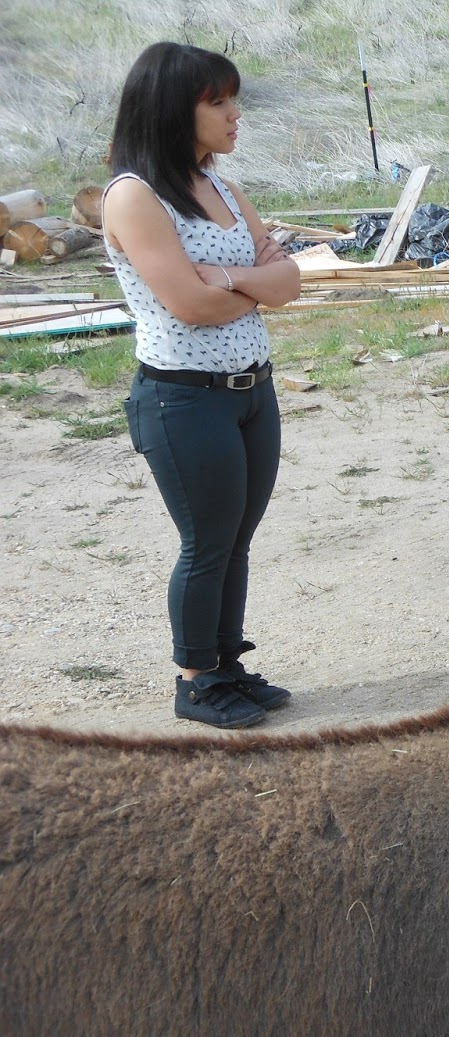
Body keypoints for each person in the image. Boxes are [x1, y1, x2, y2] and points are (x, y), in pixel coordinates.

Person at [102, 42, 301, 728]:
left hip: (251, 392)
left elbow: (290, 281)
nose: (233, 114)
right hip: (184, 397)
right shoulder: (134, 196)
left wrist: (230, 279)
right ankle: (195, 682)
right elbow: (189, 305)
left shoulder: (223, 189)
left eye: (231, 99)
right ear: (170, 109)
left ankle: (226, 665)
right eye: (217, 102)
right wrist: (252, 285)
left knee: (236, 539)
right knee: (207, 542)